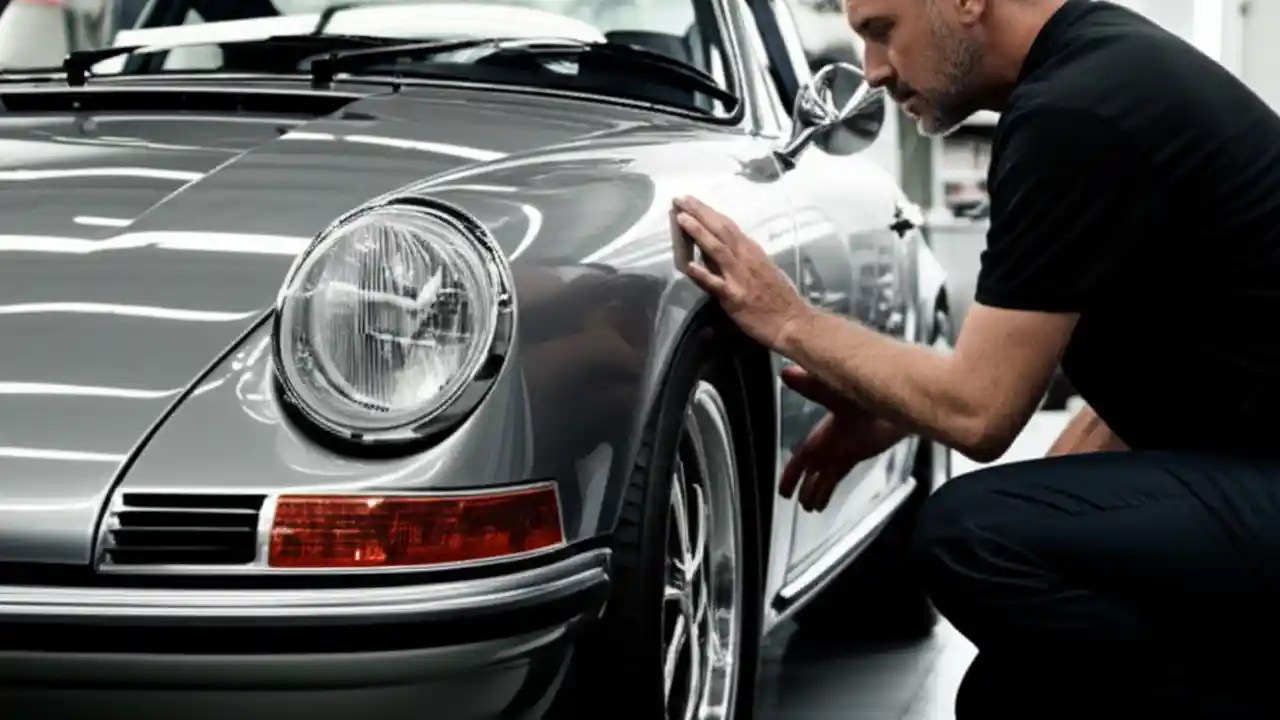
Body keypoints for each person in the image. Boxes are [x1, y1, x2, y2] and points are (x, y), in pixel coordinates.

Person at [671, 0, 1280, 716]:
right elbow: (1122, 397)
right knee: (1007, 689)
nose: (871, 73)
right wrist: (902, 413)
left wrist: (788, 319)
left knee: (969, 535)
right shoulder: (1102, 68)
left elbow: (980, 413)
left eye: (881, 30)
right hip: (1247, 473)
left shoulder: (1072, 113)